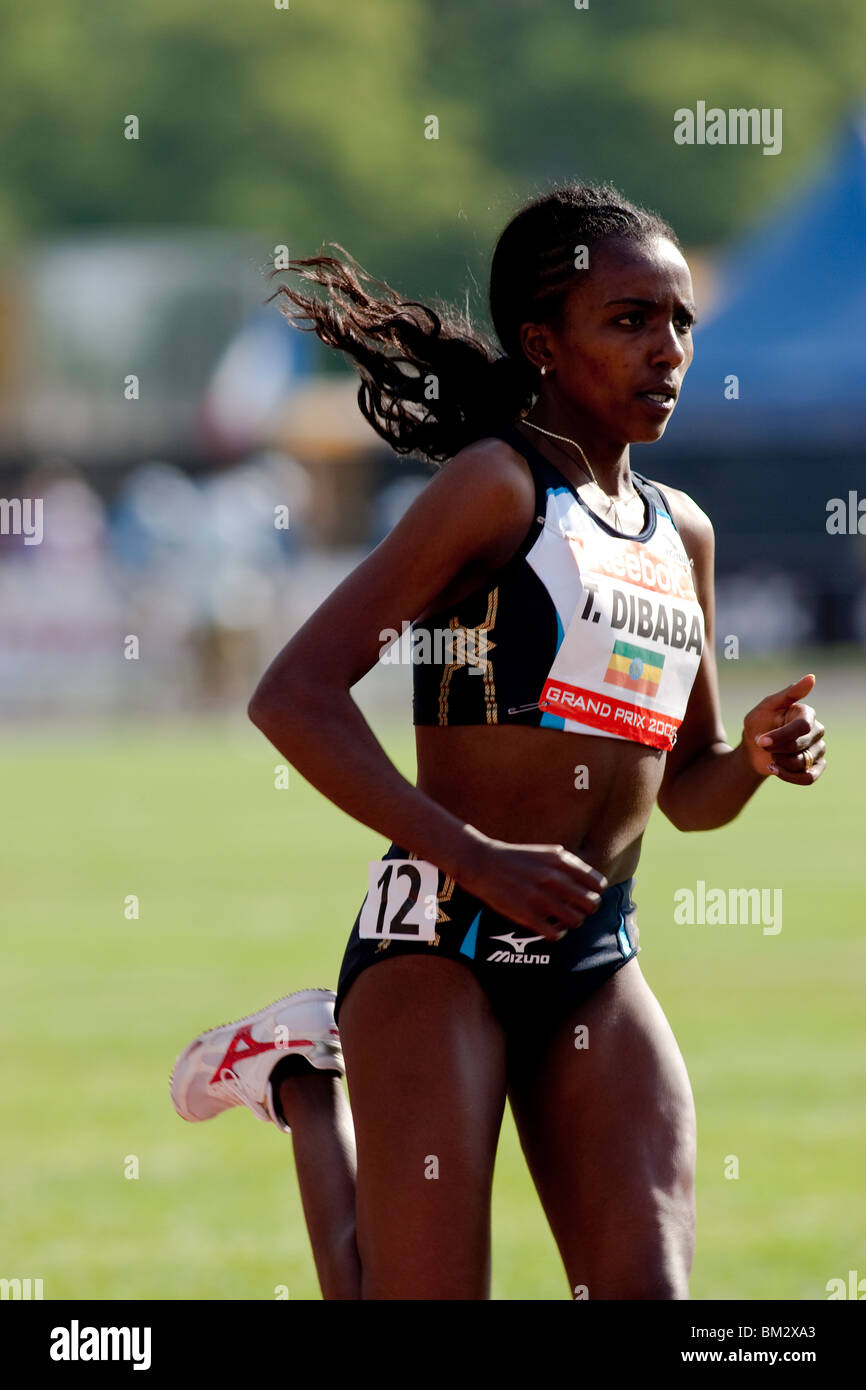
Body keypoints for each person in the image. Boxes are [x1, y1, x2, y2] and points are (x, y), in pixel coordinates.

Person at [170, 183, 827, 1300]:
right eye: (628, 320)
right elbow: (293, 694)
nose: (666, 348)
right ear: (542, 343)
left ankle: (294, 1073)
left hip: (591, 962)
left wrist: (755, 760)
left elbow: (687, 794)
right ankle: (292, 1078)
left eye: (678, 322)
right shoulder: (495, 491)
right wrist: (472, 853)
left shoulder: (685, 534)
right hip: (441, 944)